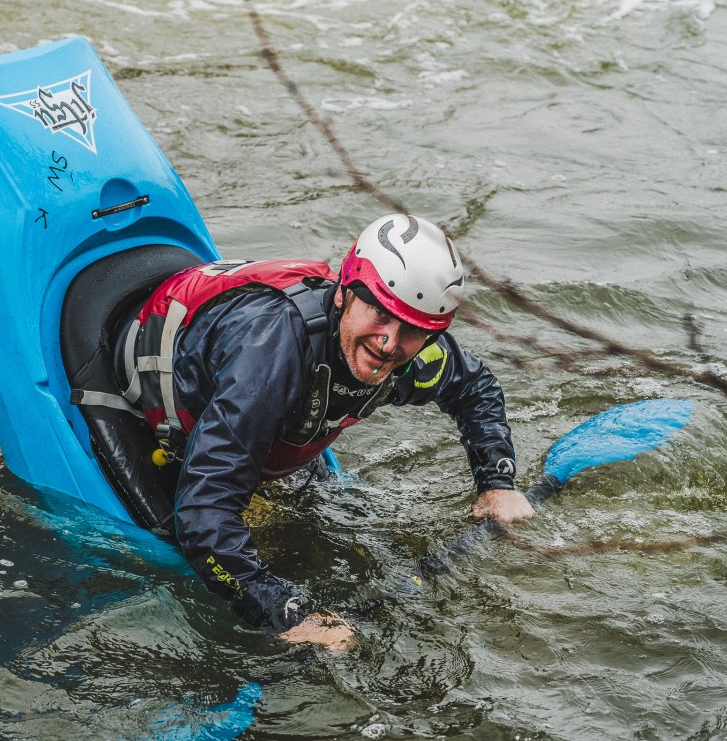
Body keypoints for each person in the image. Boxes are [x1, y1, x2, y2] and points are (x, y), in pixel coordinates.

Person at [122, 214, 534, 651]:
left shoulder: (408, 358)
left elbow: (475, 388)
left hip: (256, 417)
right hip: (138, 399)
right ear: (344, 292)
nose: (389, 343)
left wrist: (497, 482)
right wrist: (287, 615)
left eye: (412, 329)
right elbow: (204, 516)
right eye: (380, 314)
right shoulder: (269, 362)